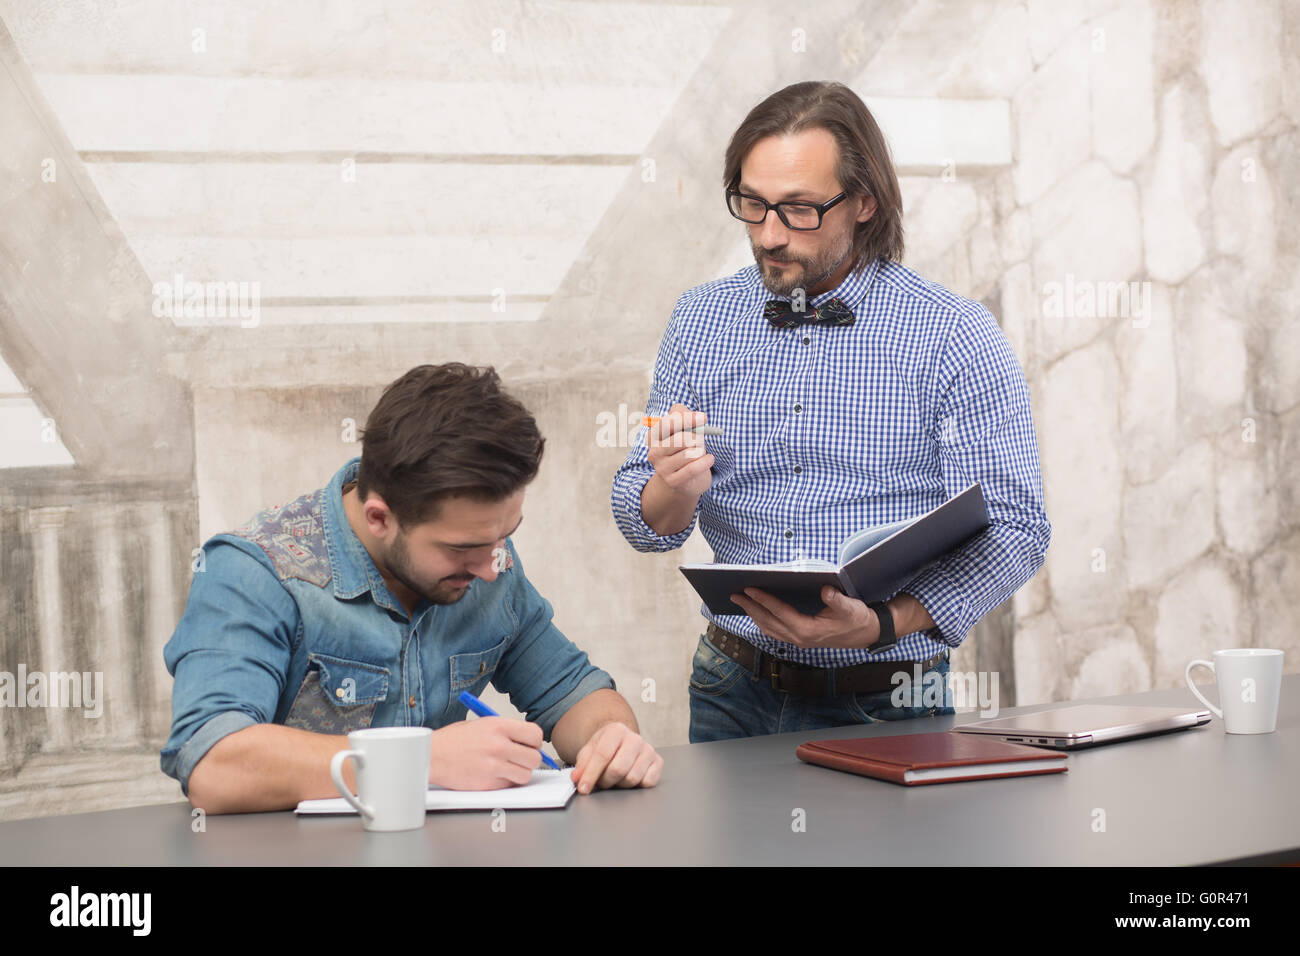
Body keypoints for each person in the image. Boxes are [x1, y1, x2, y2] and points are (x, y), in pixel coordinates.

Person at [611, 80, 1051, 742]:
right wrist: (670, 488)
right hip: (730, 687)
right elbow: (647, 526)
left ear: (866, 202)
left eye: (799, 210)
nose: (769, 234)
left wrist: (881, 622)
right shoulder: (699, 320)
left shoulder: (953, 335)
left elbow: (1018, 528)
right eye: (752, 205)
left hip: (888, 695)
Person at [163, 363, 662, 812]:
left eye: (504, 536)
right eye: (461, 548)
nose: (492, 567)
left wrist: (610, 738)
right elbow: (214, 764)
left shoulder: (488, 559)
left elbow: (576, 693)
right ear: (380, 517)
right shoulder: (254, 572)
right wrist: (421, 760)